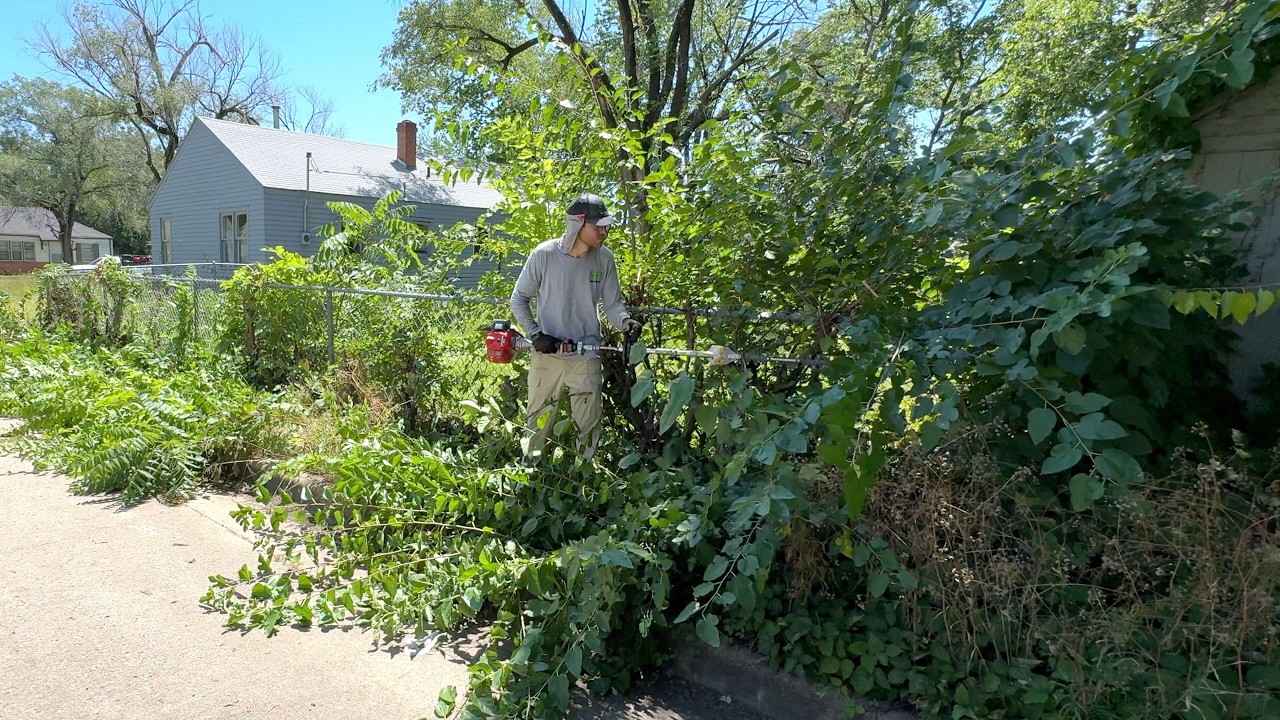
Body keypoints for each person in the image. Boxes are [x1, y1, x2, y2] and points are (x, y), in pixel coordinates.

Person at [510, 193, 642, 461]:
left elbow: (613, 304)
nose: (604, 231)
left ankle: (586, 478)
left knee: (589, 424)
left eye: (606, 225)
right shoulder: (544, 255)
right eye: (598, 226)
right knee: (537, 422)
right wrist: (536, 335)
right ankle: (530, 475)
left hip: (586, 355)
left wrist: (626, 322)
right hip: (547, 356)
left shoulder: (604, 258)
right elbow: (518, 299)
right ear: (577, 224)